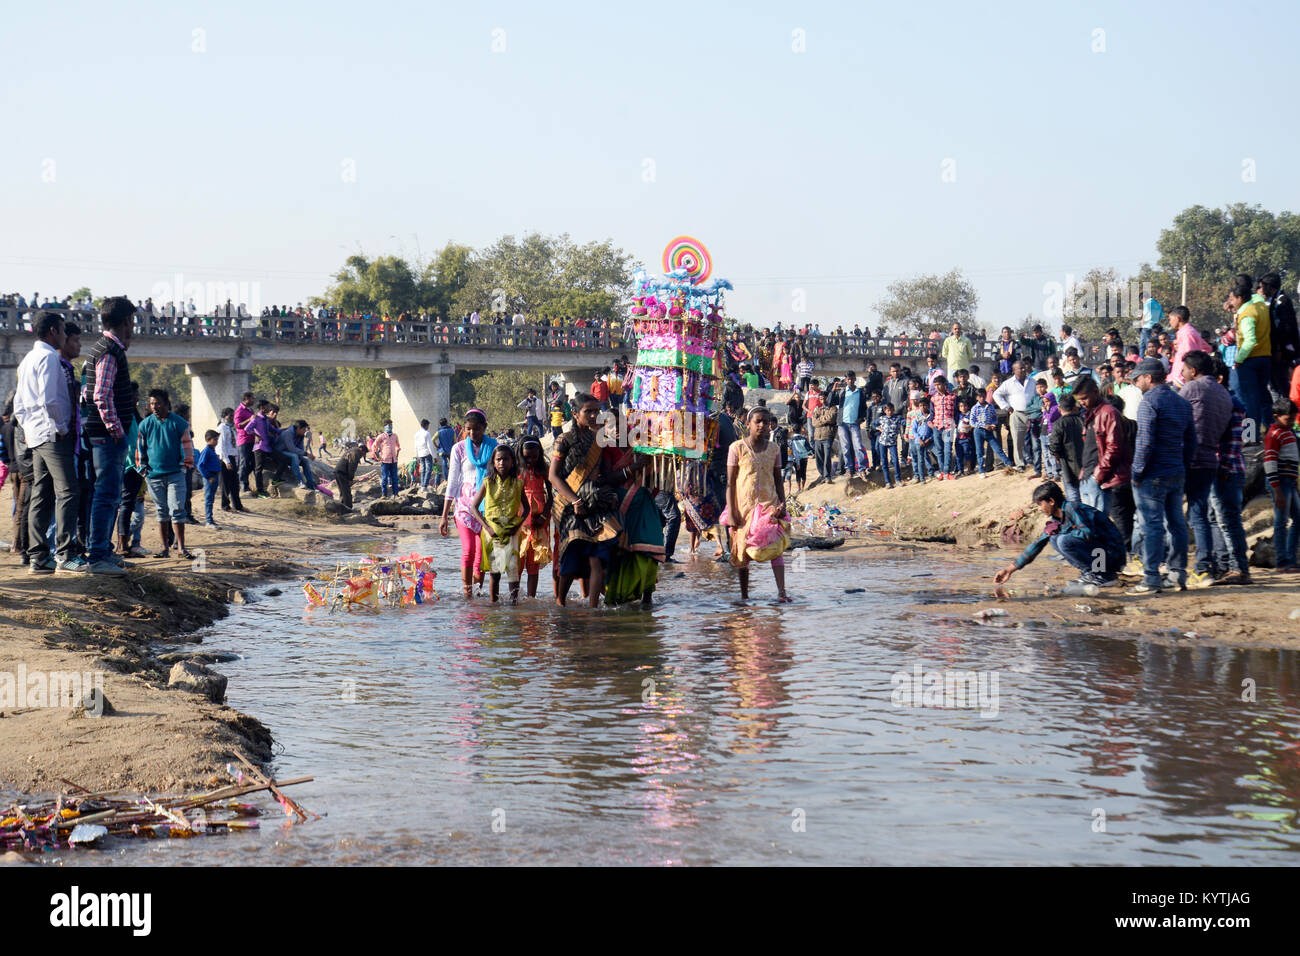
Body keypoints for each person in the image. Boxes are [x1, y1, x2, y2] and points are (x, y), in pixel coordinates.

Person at [548, 394, 655, 607]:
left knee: (600, 551)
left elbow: (605, 473)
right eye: (589, 411)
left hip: (595, 501)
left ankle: (594, 607)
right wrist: (575, 501)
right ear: (576, 414)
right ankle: (560, 603)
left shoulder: (601, 439)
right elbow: (553, 476)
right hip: (569, 504)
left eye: (597, 411)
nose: (594, 415)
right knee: (572, 553)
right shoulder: (564, 440)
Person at [14, 311, 80, 573]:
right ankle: (65, 554)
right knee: (68, 491)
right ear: (53, 331)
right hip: (52, 435)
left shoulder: (28, 359)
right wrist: (61, 427)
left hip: (36, 435)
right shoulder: (50, 357)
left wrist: (30, 430)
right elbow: (50, 400)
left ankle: (39, 557)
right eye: (63, 331)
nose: (65, 336)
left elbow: (19, 406)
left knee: (42, 493)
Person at [1128, 357, 1197, 594]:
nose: (1136, 383)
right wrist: (1183, 466)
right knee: (1177, 524)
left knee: (1152, 526)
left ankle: (1151, 578)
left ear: (1148, 378)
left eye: (1137, 378)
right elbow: (1191, 442)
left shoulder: (1148, 403)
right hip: (1176, 471)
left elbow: (1145, 443)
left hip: (1152, 475)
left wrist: (1137, 472)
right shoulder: (1182, 403)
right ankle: (1178, 574)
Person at [78, 296, 135, 573]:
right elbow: (100, 395)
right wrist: (116, 430)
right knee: (107, 494)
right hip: (106, 436)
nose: (133, 327)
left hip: (100, 435)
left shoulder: (99, 348)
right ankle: (99, 555)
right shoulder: (109, 351)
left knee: (105, 493)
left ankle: (102, 550)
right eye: (132, 321)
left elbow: (87, 392)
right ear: (126, 322)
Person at [994, 481, 1127, 588]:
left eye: (1040, 504)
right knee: (1054, 539)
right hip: (1101, 555)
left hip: (1112, 555)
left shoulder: (1072, 509)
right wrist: (1009, 570)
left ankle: (1104, 576)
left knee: (1063, 540)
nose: (1040, 509)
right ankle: (1090, 574)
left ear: (1051, 501)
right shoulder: (1056, 520)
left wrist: (1063, 530)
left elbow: (1088, 534)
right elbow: (1036, 545)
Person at [1178, 350, 1233, 586]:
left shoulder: (1192, 389)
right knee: (1202, 514)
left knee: (1179, 515)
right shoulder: (1224, 393)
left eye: (1184, 369)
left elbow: (1176, 418)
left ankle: (1192, 567)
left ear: (1193, 370)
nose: (1181, 374)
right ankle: (1206, 567)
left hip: (1188, 458)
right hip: (1211, 458)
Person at [725, 407, 791, 602]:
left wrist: (783, 504)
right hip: (743, 507)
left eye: (767, 422)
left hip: (769, 505)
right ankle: (745, 596)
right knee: (742, 550)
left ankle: (782, 593)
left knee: (775, 547)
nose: (763, 425)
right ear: (749, 424)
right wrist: (731, 512)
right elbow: (730, 482)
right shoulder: (736, 448)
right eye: (758, 421)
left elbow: (778, 480)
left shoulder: (774, 449)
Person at [439, 410, 497, 597]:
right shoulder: (459, 449)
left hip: (486, 509)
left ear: (484, 428)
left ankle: (477, 593)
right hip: (464, 508)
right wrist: (444, 516)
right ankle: (467, 594)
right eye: (468, 429)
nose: (473, 433)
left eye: (477, 429)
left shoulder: (495, 447)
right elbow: (453, 481)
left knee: (481, 557)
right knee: (469, 550)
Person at [1072, 376, 1134, 549]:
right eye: (1079, 400)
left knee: (1098, 529)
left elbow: (1114, 447)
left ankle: (1101, 570)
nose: (1082, 403)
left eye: (1084, 398)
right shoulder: (1091, 414)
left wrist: (1098, 475)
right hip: (1089, 477)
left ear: (1096, 392)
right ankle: (1097, 569)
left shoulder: (1108, 412)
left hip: (1101, 479)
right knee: (1091, 529)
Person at [136, 389, 194, 560]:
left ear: (167, 404)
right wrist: (143, 470)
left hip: (175, 474)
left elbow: (187, 448)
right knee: (161, 512)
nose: (155, 407)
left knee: (177, 510)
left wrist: (184, 468)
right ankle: (164, 549)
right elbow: (140, 450)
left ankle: (181, 548)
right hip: (153, 476)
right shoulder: (145, 424)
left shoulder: (179, 423)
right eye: (152, 403)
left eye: (158, 403)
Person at [471, 444, 530, 604]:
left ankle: (514, 605)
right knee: (495, 573)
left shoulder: (518, 484)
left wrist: (517, 526)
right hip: (492, 534)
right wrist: (487, 527)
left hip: (511, 532)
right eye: (498, 459)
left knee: (513, 571)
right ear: (494, 462)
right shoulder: (488, 482)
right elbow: (474, 507)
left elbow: (527, 508)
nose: (502, 463)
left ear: (512, 462)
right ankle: (493, 605)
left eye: (506, 459)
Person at [1226, 273, 1272, 436]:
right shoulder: (1261, 305)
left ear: (1240, 298)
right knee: (1262, 396)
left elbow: (1250, 340)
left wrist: (1238, 360)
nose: (1230, 303)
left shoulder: (1246, 314)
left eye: (1232, 299)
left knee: (1249, 400)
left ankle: (1250, 436)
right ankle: (1270, 431)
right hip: (1265, 356)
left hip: (1250, 360)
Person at [1263, 398, 1300, 572]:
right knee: (1281, 522)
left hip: (1289, 482)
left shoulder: (1288, 432)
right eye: (1288, 419)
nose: (1292, 422)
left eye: (1293, 419)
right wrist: (1276, 489)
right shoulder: (1274, 434)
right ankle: (1282, 562)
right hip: (1281, 483)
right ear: (1277, 416)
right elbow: (1270, 462)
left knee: (1297, 519)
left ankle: (1290, 559)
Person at [518, 438, 553, 598]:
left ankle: (531, 598)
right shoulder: (517, 470)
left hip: (540, 520)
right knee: (518, 559)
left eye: (534, 457)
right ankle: (514, 597)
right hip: (520, 520)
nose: (531, 460)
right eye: (527, 457)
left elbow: (551, 496)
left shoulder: (544, 469)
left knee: (534, 561)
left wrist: (544, 515)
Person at [1261, 272, 1299, 398]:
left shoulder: (1281, 301)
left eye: (1263, 287)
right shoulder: (1275, 300)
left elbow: (1283, 328)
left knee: (1282, 384)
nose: (1261, 290)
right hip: (1279, 349)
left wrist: (1279, 349)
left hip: (1284, 351)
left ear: (1270, 287)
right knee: (1276, 384)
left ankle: (1289, 409)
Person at [993, 362, 1037, 469]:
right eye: (1020, 368)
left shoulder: (1032, 381)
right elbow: (996, 394)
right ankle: (1020, 464)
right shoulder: (1008, 383)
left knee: (1034, 439)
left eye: (1024, 368)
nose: (1023, 370)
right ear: (1014, 370)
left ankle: (1034, 462)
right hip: (1016, 414)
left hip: (1032, 413)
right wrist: (1006, 407)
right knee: (1018, 440)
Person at [829, 370, 867, 478]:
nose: (850, 381)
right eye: (848, 379)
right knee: (845, 447)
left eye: (852, 379)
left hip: (854, 423)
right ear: (846, 380)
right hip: (842, 423)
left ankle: (861, 469)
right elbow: (830, 402)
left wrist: (861, 419)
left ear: (855, 379)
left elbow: (864, 407)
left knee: (858, 446)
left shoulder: (860, 392)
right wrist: (833, 389)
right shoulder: (842, 392)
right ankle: (849, 469)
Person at [1048, 393, 1084, 503]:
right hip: (1086, 464)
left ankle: (1076, 518)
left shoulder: (1059, 424)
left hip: (1067, 465)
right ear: (1075, 407)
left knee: (1073, 497)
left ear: (1059, 409)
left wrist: (1057, 456)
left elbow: (1054, 446)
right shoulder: (1082, 420)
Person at [969, 387, 1012, 477]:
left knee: (997, 448)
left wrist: (993, 425)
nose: (982, 398)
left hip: (988, 431)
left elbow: (994, 418)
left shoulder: (990, 406)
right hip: (978, 431)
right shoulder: (975, 408)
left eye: (983, 396)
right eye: (980, 396)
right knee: (979, 451)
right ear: (977, 397)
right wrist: (983, 425)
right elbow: (972, 422)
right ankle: (981, 470)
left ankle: (1009, 464)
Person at [1167, 306, 1211, 387]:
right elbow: (1207, 348)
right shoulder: (1189, 331)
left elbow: (1189, 358)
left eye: (1170, 319)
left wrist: (1183, 378)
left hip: (1182, 380)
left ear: (1178, 318)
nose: (1170, 322)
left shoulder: (1187, 334)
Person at [217, 407, 245, 513]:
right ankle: (225, 505)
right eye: (230, 415)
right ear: (224, 416)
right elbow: (221, 446)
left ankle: (237, 505)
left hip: (232, 457)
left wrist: (236, 459)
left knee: (234, 483)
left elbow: (234, 445)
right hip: (225, 458)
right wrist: (226, 461)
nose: (232, 418)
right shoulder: (222, 428)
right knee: (225, 483)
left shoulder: (232, 428)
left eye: (233, 415)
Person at [196, 429, 223, 529]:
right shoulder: (207, 450)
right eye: (215, 440)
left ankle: (210, 520)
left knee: (211, 499)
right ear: (208, 439)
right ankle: (208, 521)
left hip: (214, 476)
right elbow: (200, 465)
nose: (217, 442)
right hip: (210, 477)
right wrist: (208, 476)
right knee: (208, 499)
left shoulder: (212, 450)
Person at [233, 391, 257, 493]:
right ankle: (243, 485)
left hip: (252, 439)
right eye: (252, 398)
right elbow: (238, 425)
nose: (253, 400)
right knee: (244, 463)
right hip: (244, 440)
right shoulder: (239, 410)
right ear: (246, 399)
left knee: (252, 463)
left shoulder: (250, 410)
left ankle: (242, 480)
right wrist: (249, 420)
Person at [333, 442, 368, 510]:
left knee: (343, 492)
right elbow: (351, 467)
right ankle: (348, 508)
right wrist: (350, 479)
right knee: (346, 492)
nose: (363, 455)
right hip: (341, 473)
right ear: (361, 449)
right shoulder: (355, 453)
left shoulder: (353, 450)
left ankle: (342, 508)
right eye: (364, 453)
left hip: (339, 472)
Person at [373, 420, 400, 496]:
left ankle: (396, 493)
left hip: (394, 460)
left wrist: (397, 454)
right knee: (384, 478)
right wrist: (377, 456)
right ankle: (384, 494)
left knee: (395, 478)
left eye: (390, 425)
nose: (389, 426)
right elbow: (374, 446)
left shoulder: (395, 436)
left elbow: (398, 446)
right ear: (385, 426)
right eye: (388, 425)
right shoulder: (381, 436)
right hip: (385, 460)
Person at [414, 418, 435, 489]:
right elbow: (430, 445)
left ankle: (422, 485)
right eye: (428, 425)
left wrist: (416, 456)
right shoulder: (427, 433)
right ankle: (425, 485)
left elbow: (415, 446)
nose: (428, 427)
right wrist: (434, 456)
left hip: (420, 454)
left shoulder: (416, 434)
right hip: (427, 453)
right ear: (426, 425)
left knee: (423, 470)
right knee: (429, 470)